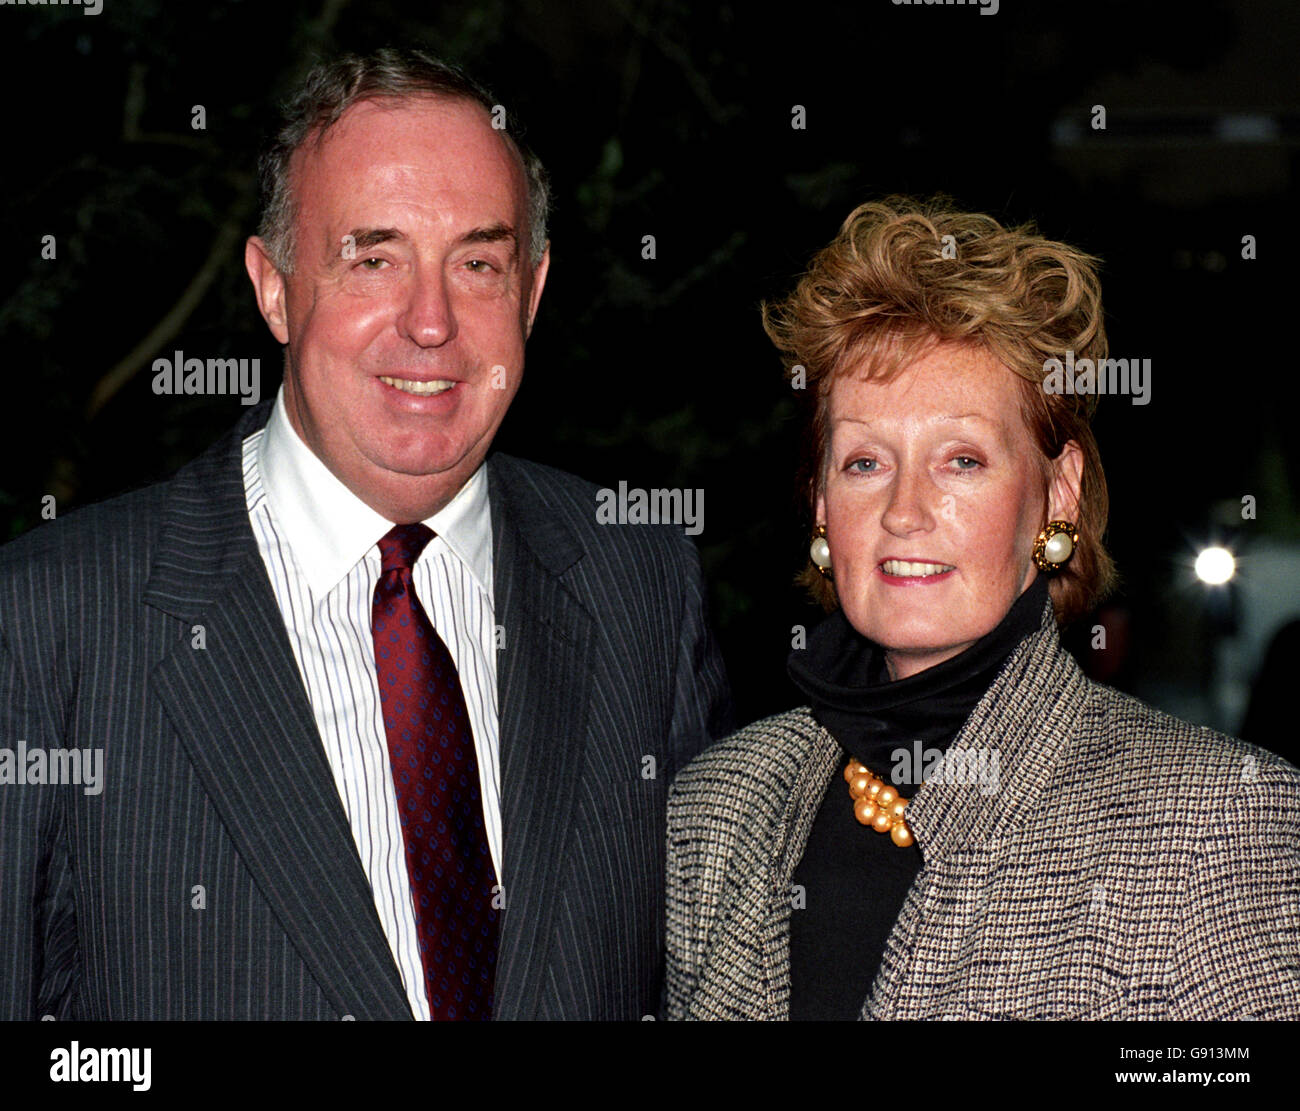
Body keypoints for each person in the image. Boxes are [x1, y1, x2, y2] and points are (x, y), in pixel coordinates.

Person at [0, 48, 731, 1021]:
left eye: (477, 262)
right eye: (373, 257)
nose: (430, 322)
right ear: (273, 286)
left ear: (534, 290)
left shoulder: (640, 584)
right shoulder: (49, 618)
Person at [665, 196, 1300, 1020]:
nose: (904, 510)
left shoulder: (1224, 825)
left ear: (1056, 495)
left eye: (961, 459)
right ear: (821, 505)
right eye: (863, 462)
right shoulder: (714, 808)